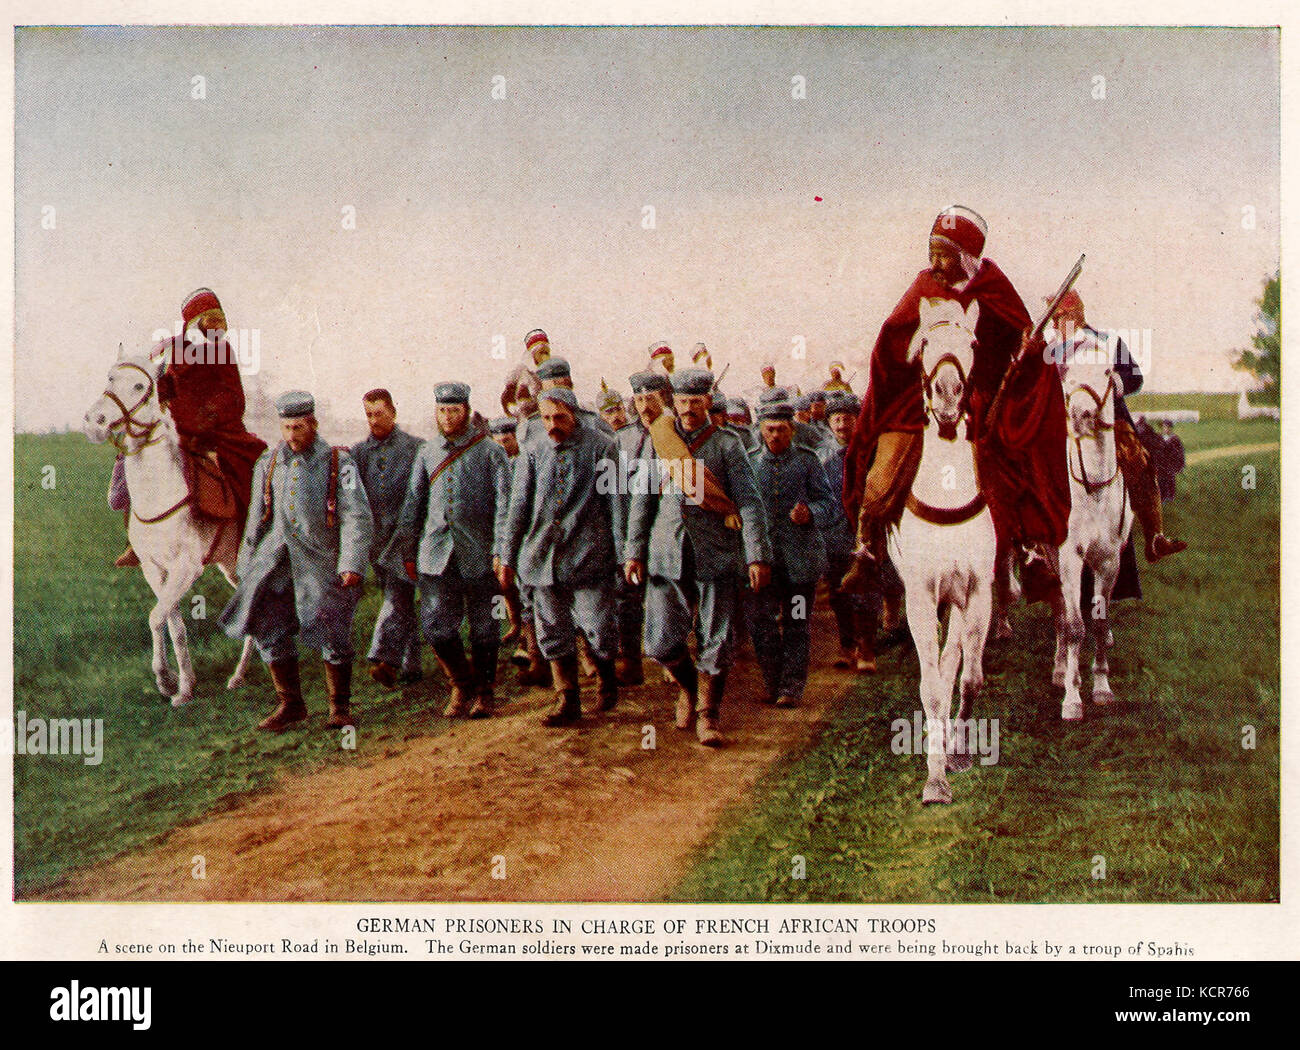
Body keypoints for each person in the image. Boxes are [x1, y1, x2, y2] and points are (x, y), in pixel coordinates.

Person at [842, 205, 1070, 598]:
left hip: (980, 400)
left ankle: (1028, 550)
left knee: (1012, 463)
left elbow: (1020, 335)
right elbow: (891, 339)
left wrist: (1027, 349)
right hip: (919, 400)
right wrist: (912, 356)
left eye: (944, 254)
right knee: (884, 468)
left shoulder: (993, 285)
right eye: (932, 252)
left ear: (966, 256)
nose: (935, 263)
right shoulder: (923, 286)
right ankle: (866, 548)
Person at [625, 368, 771, 746]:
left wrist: (756, 555)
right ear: (673, 401)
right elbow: (643, 500)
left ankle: (708, 713)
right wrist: (634, 552)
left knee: (716, 639)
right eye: (683, 401)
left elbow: (750, 503)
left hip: (715, 552)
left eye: (696, 401)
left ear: (709, 401)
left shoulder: (727, 444)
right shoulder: (658, 439)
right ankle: (688, 689)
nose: (688, 408)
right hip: (666, 550)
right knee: (659, 643)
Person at [218, 391, 372, 731]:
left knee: (332, 628)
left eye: (298, 427)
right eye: (286, 427)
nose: (291, 435)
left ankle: (339, 706)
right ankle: (291, 704)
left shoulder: (339, 462)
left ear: (313, 424)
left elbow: (357, 516)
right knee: (267, 624)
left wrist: (351, 562)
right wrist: (247, 565)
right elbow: (255, 519)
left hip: (321, 561)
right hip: (274, 562)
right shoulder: (268, 462)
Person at [114, 288, 267, 567]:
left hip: (217, 431)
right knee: (133, 458)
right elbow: (168, 385)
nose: (216, 325)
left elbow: (234, 394)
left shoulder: (223, 350)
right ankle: (134, 540)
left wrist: (207, 416)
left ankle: (249, 536)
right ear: (194, 323)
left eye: (219, 319)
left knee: (248, 468)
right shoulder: (176, 351)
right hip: (179, 428)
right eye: (209, 320)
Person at [499, 387, 624, 726]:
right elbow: (519, 507)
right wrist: (507, 556)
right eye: (547, 418)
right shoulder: (533, 450)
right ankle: (566, 697)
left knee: (598, 627)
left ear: (575, 416)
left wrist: (624, 556)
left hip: (589, 556)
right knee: (552, 629)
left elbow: (615, 506)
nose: (553, 425)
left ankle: (606, 679)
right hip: (542, 557)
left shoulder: (603, 448)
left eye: (560, 418)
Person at [385, 383, 511, 719]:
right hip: (436, 555)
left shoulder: (490, 452)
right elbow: (413, 506)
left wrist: (501, 551)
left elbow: (504, 507)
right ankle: (461, 683)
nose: (448, 417)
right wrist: (408, 551)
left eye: (454, 410)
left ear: (467, 411)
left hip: (481, 555)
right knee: (437, 627)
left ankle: (485, 693)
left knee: (486, 628)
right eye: (442, 410)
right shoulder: (426, 453)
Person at [1046, 290, 1186, 562]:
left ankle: (1155, 537)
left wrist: (1113, 385)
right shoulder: (1051, 349)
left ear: (1074, 315)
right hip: (1063, 423)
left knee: (1138, 460)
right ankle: (1036, 549)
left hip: (1111, 422)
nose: (1053, 324)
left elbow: (1135, 378)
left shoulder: (1108, 342)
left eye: (1058, 317)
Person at [746, 399, 837, 707]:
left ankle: (792, 687)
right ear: (760, 429)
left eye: (781, 430)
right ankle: (773, 681)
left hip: (801, 564)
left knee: (797, 622)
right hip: (763, 562)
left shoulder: (808, 461)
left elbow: (829, 504)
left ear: (793, 430)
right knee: (761, 622)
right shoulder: (748, 462)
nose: (775, 436)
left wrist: (810, 513)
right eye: (769, 429)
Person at [351, 389, 424, 689]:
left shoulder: (415, 448)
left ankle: (384, 656)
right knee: (398, 598)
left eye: (379, 413)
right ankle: (411, 663)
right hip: (376, 542)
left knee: (398, 594)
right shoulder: (358, 453)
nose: (374, 420)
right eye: (369, 415)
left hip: (406, 537)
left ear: (393, 412)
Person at [489, 416, 548, 686]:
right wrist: (500, 550)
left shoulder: (530, 462)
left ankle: (552, 656)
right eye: (498, 442)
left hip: (534, 540)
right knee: (522, 597)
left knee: (543, 597)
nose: (503, 446)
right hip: (510, 543)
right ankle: (533, 654)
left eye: (507, 440)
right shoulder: (493, 468)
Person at [1153, 419, 1186, 502]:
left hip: (1170, 464)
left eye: (1167, 427)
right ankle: (1161, 498)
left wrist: (1180, 465)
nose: (1166, 429)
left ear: (1170, 428)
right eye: (1164, 427)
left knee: (1170, 480)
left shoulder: (1175, 439)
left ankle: (1170, 497)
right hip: (1160, 464)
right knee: (1160, 480)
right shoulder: (1158, 437)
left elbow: (1180, 452)